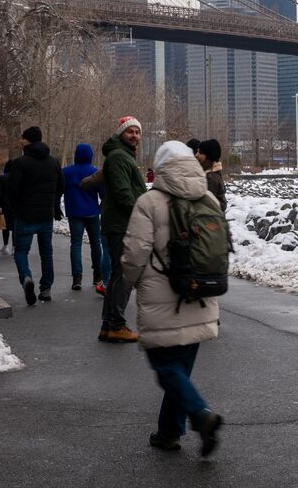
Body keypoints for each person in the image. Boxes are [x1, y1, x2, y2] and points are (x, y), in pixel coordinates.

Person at [122, 140, 224, 456]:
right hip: (202, 294)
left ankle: (201, 415)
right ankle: (169, 432)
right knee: (179, 371)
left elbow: (135, 254)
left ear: (160, 167)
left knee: (166, 368)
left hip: (161, 297)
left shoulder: (149, 202)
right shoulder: (208, 197)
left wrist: (129, 281)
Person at [94, 116, 147, 343]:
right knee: (126, 275)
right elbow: (123, 193)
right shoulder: (118, 156)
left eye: (137, 132)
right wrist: (143, 213)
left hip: (121, 223)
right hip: (121, 224)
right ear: (121, 133)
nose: (134, 136)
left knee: (119, 274)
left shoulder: (123, 155)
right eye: (130, 132)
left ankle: (109, 326)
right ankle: (116, 324)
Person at [4, 127, 65, 306]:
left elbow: (12, 189)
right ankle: (46, 289)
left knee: (21, 251)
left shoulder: (20, 163)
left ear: (29, 140)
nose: (20, 141)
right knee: (46, 253)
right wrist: (54, 206)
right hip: (46, 215)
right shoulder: (54, 162)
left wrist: (14, 207)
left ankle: (26, 277)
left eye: (22, 138)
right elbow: (60, 187)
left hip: (25, 215)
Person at [63, 143, 107, 294]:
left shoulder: (66, 172)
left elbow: (60, 189)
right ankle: (97, 275)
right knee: (96, 243)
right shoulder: (94, 171)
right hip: (92, 212)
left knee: (75, 244)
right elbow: (102, 193)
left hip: (74, 212)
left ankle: (77, 278)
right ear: (90, 155)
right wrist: (101, 206)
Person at [195, 139, 226, 211]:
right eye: (197, 151)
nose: (196, 155)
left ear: (209, 157)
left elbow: (204, 207)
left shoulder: (211, 178)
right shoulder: (210, 174)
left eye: (200, 152)